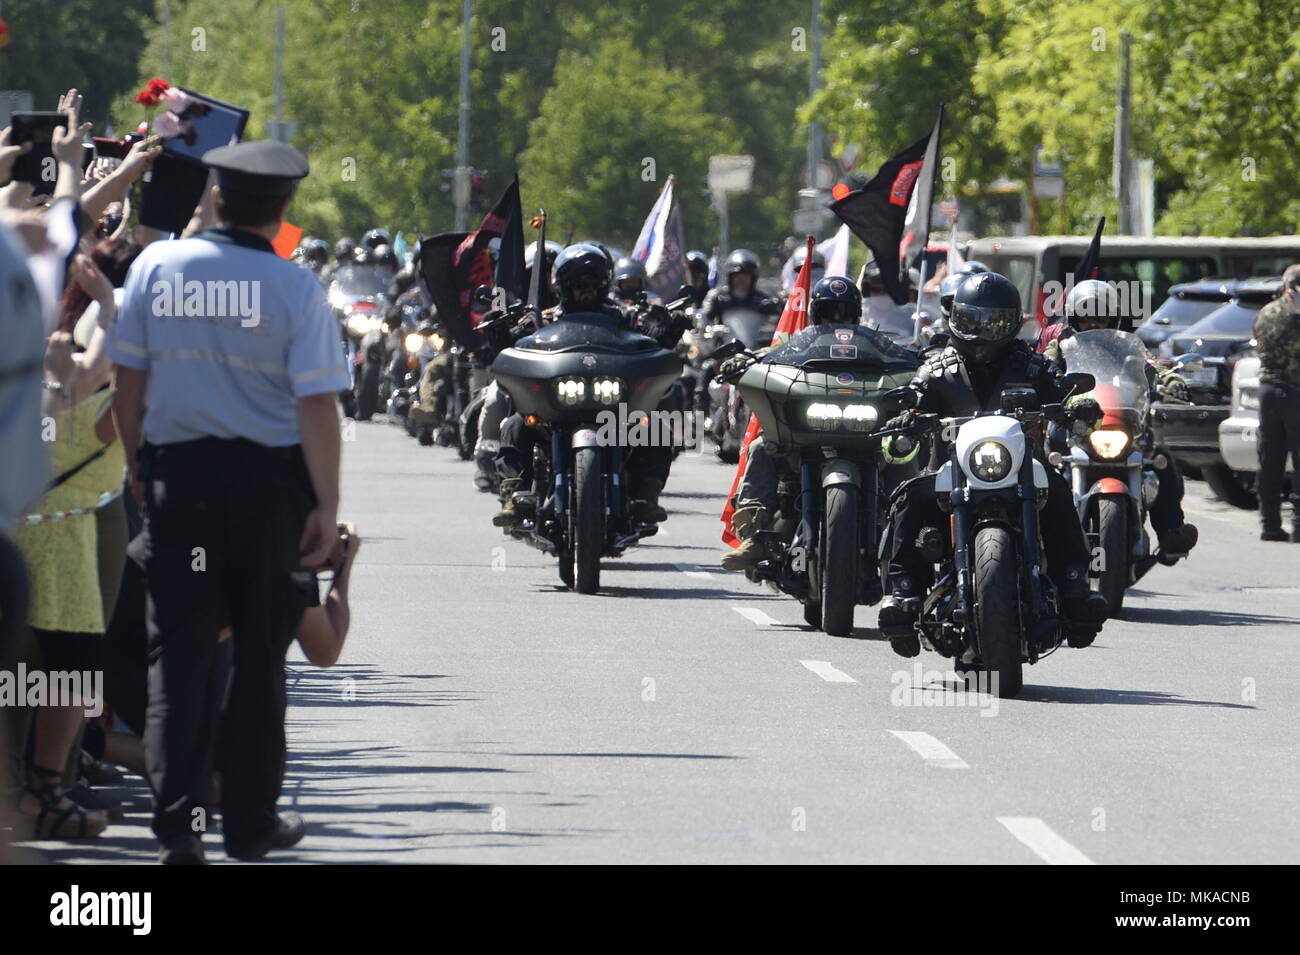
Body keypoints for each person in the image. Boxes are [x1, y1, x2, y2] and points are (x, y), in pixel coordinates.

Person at [107, 140, 350, 864]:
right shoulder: (294, 288)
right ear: (282, 210)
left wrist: (138, 468)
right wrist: (325, 506)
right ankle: (248, 822)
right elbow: (317, 407)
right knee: (257, 663)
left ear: (211, 192)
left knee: (176, 664)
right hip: (268, 492)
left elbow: (128, 386)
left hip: (180, 483)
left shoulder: (155, 268)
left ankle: (177, 827)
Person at [878, 272, 1110, 657]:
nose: (983, 332)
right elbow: (915, 394)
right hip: (951, 474)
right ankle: (903, 595)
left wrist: (1076, 407)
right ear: (956, 320)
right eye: (973, 321)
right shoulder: (937, 369)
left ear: (1012, 323)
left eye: (994, 322)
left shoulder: (1033, 366)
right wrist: (906, 415)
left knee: (1058, 492)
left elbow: (1062, 389)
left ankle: (1075, 588)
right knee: (912, 496)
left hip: (1022, 471)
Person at [719, 275, 908, 571]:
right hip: (807, 434)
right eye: (829, 312)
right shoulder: (796, 345)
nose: (837, 319)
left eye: (844, 313)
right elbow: (769, 355)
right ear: (814, 313)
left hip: (865, 435)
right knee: (762, 447)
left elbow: (902, 356)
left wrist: (920, 358)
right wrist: (744, 361)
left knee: (903, 449)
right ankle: (755, 537)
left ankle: (908, 539)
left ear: (856, 314)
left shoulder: (874, 346)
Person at [493, 243, 674, 527]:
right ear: (562, 286)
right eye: (577, 283)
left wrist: (666, 327)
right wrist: (503, 332)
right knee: (515, 424)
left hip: (614, 407)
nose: (584, 289)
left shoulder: (626, 318)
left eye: (592, 283)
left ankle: (647, 495)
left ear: (604, 285)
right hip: (555, 407)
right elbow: (516, 343)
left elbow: (651, 338)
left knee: (654, 425)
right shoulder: (541, 319)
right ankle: (514, 493)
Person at [1043, 279, 1199, 559]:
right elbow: (1043, 369)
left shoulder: (1126, 345)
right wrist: (1043, 384)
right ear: (1073, 317)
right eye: (1085, 317)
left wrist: (1170, 378)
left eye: (1099, 317)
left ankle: (1171, 533)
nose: (1093, 324)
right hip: (1072, 424)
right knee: (1042, 466)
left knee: (1162, 463)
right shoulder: (1061, 345)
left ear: (1112, 316)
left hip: (1117, 418)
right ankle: (1038, 539)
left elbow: (1150, 363)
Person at [1252, 263, 1300, 541]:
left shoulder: (1265, 312)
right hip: (1295, 393)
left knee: (1269, 461)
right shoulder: (1295, 313)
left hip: (1268, 392)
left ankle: (1269, 525)